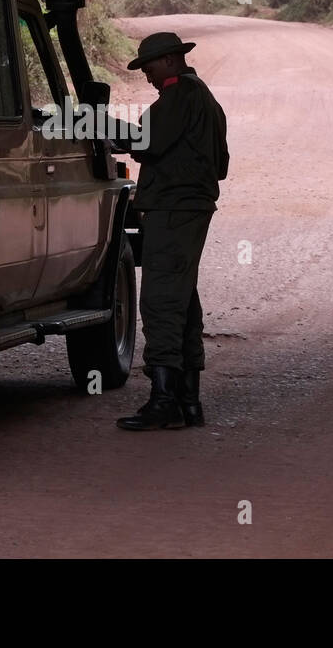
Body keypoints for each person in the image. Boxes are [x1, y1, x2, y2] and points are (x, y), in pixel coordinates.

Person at [107, 31, 228, 431]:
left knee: (160, 301)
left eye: (151, 66)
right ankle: (188, 402)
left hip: (172, 211)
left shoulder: (179, 96)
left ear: (172, 61)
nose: (147, 75)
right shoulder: (205, 99)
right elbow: (221, 165)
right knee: (182, 302)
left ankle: (164, 404)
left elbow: (146, 142)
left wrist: (101, 129)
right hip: (190, 210)